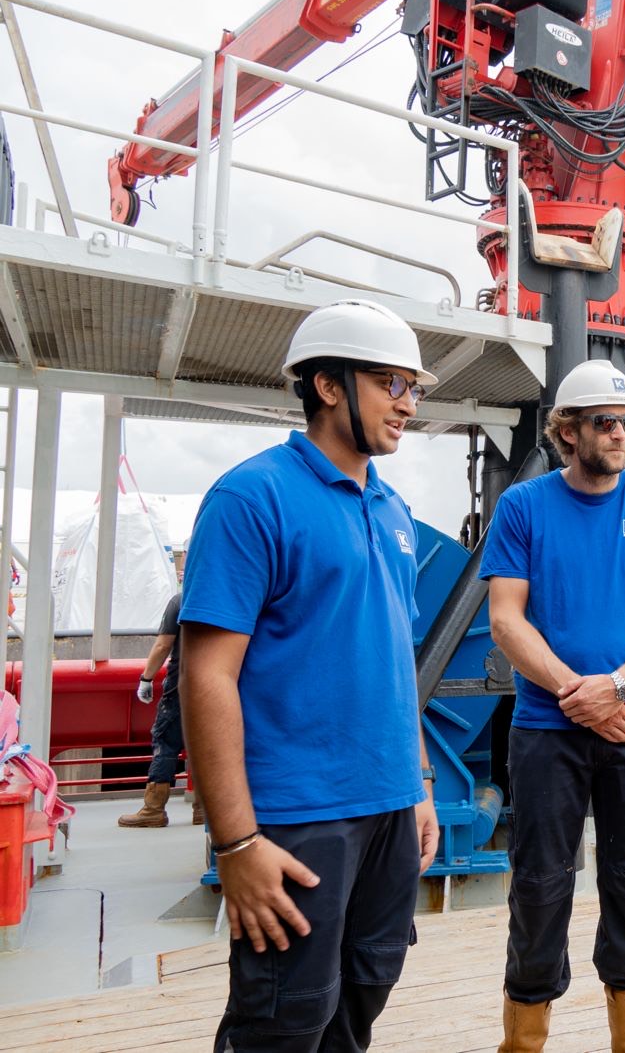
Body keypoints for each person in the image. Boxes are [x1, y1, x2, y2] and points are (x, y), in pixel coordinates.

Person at [180, 298, 440, 1052]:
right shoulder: (251, 497)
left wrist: (418, 784)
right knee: (282, 1020)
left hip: (390, 807)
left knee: (362, 995)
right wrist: (235, 844)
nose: (407, 402)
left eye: (414, 388)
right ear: (328, 385)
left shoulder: (393, 509)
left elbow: (396, 660)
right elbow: (207, 675)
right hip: (298, 817)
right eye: (392, 381)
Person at [481, 359, 625, 1053]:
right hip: (548, 729)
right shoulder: (523, 507)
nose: (620, 434)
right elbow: (507, 620)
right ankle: (524, 1041)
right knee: (539, 888)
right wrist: (581, 695)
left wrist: (620, 686)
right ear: (565, 432)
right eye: (604, 422)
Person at [118, 586, 205, 828]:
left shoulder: (180, 601)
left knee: (165, 742)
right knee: (203, 745)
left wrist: (146, 678)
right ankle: (203, 809)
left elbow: (163, 645)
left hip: (181, 684)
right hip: (216, 685)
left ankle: (154, 809)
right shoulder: (224, 597)